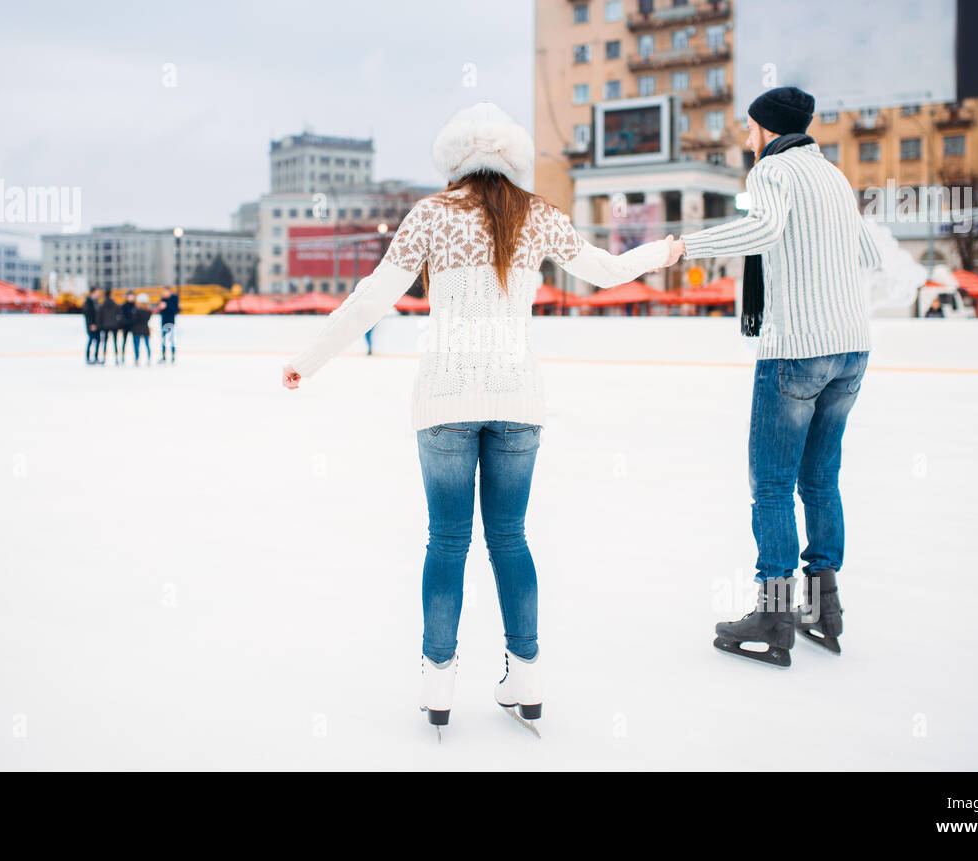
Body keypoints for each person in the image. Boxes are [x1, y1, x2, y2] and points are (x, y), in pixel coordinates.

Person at [282, 101, 683, 734]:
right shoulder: (539, 216)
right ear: (514, 159)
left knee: (447, 541)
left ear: (454, 160)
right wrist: (665, 249)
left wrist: (311, 357)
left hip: (445, 398)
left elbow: (371, 299)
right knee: (509, 538)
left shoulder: (430, 216)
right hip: (517, 400)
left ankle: (437, 681)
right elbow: (606, 272)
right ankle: (525, 673)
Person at [671, 86, 884, 667]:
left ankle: (774, 611)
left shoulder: (773, 171)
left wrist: (687, 244)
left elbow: (762, 232)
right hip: (852, 352)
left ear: (767, 128)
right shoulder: (833, 176)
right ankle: (823, 604)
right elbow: (872, 255)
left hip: (798, 350)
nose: (745, 137)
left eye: (749, 126)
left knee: (771, 484)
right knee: (819, 479)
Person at [97, 289, 123, 364]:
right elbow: (120, 314)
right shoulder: (114, 304)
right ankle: (117, 359)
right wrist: (119, 324)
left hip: (105, 326)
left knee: (105, 343)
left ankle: (104, 358)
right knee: (115, 342)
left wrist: (100, 326)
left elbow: (99, 316)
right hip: (114, 326)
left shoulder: (103, 305)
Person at [157, 289, 179, 363]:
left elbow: (176, 310)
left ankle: (172, 357)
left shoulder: (174, 299)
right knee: (163, 341)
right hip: (163, 322)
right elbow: (161, 311)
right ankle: (164, 357)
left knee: (171, 340)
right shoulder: (162, 299)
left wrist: (166, 306)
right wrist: (160, 308)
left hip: (171, 323)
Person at [130, 292, 153, 363]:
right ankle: (149, 359)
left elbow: (134, 319)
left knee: (137, 345)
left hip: (137, 329)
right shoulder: (148, 311)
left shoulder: (136, 310)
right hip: (145, 328)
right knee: (147, 344)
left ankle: (137, 359)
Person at [82, 288, 101, 364]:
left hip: (97, 325)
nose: (98, 294)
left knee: (98, 341)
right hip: (92, 326)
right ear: (93, 292)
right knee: (91, 340)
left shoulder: (96, 301)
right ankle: (88, 358)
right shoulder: (88, 302)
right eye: (97, 292)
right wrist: (91, 324)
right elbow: (88, 315)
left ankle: (96, 357)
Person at [119, 290, 136, 357]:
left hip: (134, 326)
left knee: (135, 342)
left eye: (132, 296)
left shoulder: (135, 306)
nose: (131, 298)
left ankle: (136, 357)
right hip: (125, 326)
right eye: (130, 296)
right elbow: (121, 316)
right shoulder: (123, 306)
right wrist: (122, 325)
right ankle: (122, 355)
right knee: (124, 341)